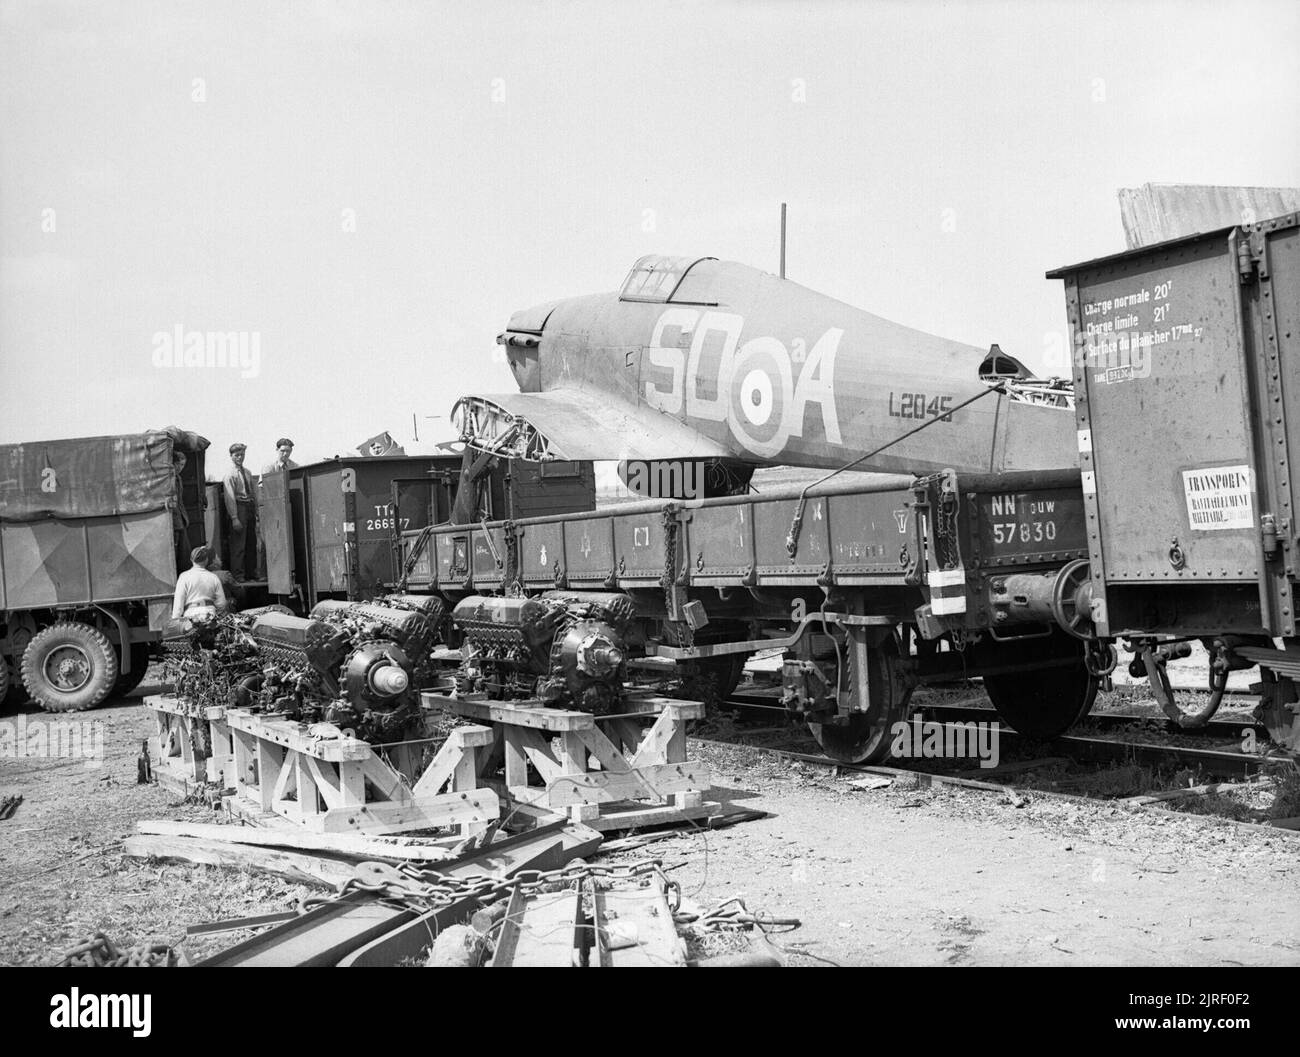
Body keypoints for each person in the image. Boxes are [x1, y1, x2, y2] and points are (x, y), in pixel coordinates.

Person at [223, 442, 258, 582]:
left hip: (249, 508)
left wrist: (256, 511)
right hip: (239, 508)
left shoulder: (248, 473)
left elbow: (254, 493)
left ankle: (251, 573)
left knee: (251, 543)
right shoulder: (230, 475)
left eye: (242, 454)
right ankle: (238, 575)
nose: (240, 457)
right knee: (239, 544)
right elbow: (229, 497)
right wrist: (234, 517)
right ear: (231, 456)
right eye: (237, 455)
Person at [170, 545, 227, 629]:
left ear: (191, 560)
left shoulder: (184, 577)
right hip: (210, 616)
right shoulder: (213, 577)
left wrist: (175, 621)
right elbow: (222, 604)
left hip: (190, 618)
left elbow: (178, 607)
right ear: (206, 560)